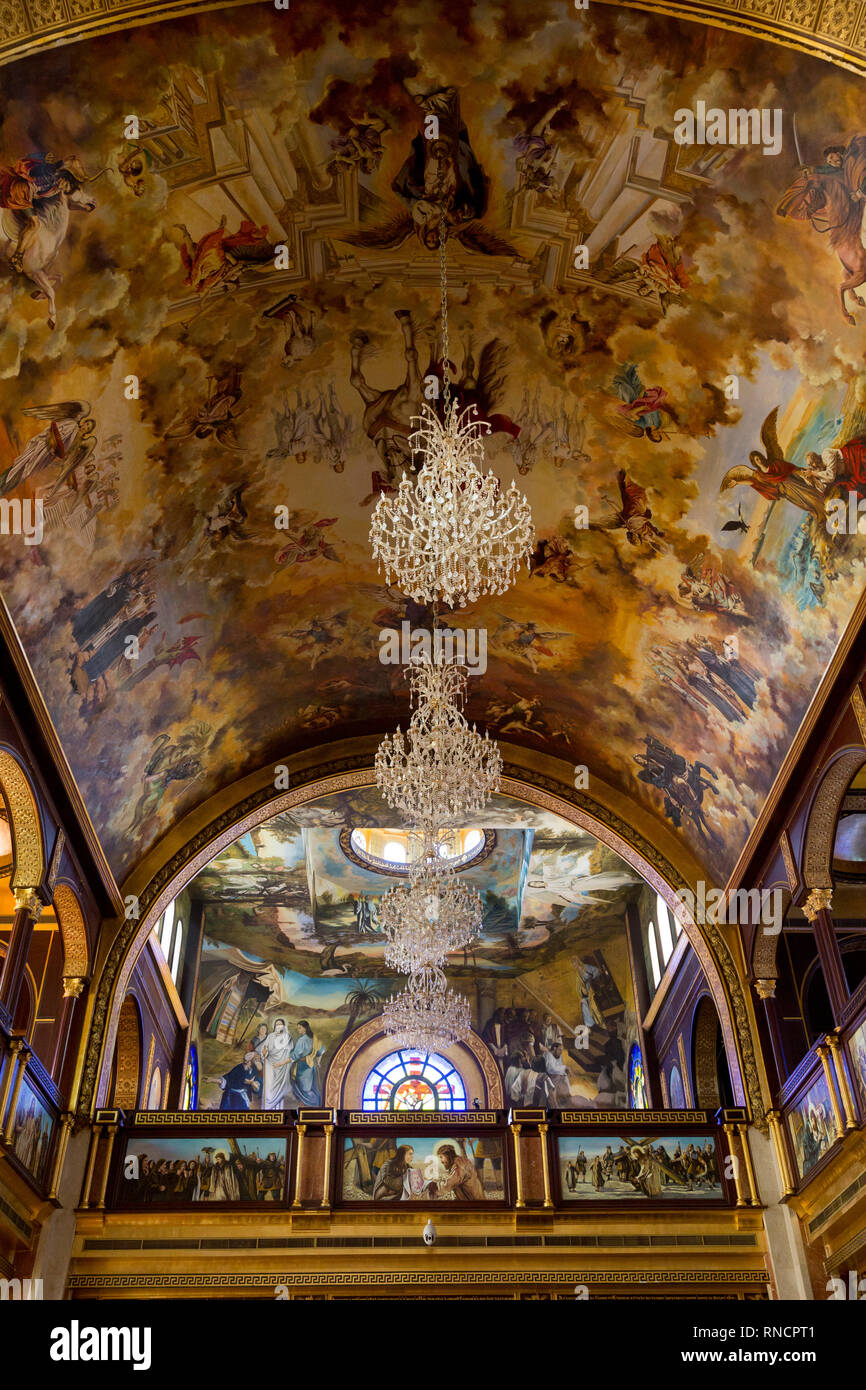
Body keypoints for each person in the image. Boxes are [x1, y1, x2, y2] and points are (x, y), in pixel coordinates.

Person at [260, 1018, 295, 1110]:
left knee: (279, 1088)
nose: (278, 1026)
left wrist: (281, 1063)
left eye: (280, 1024)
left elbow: (290, 1053)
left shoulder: (287, 1037)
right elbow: (264, 1050)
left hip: (282, 1067)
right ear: (274, 1026)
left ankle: (278, 1111)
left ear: (284, 1026)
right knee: (268, 1088)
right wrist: (264, 1053)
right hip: (270, 1064)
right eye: (277, 1025)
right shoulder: (270, 1036)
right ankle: (266, 1109)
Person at [289, 1019, 322, 1106]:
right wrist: (318, 1062)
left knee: (304, 1087)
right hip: (312, 1065)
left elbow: (295, 1055)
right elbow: (320, 1051)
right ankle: (312, 1104)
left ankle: (311, 1103)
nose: (298, 1030)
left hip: (302, 1066)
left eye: (299, 1028)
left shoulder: (302, 1040)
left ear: (305, 1028)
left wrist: (288, 1054)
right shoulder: (314, 1038)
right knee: (311, 1086)